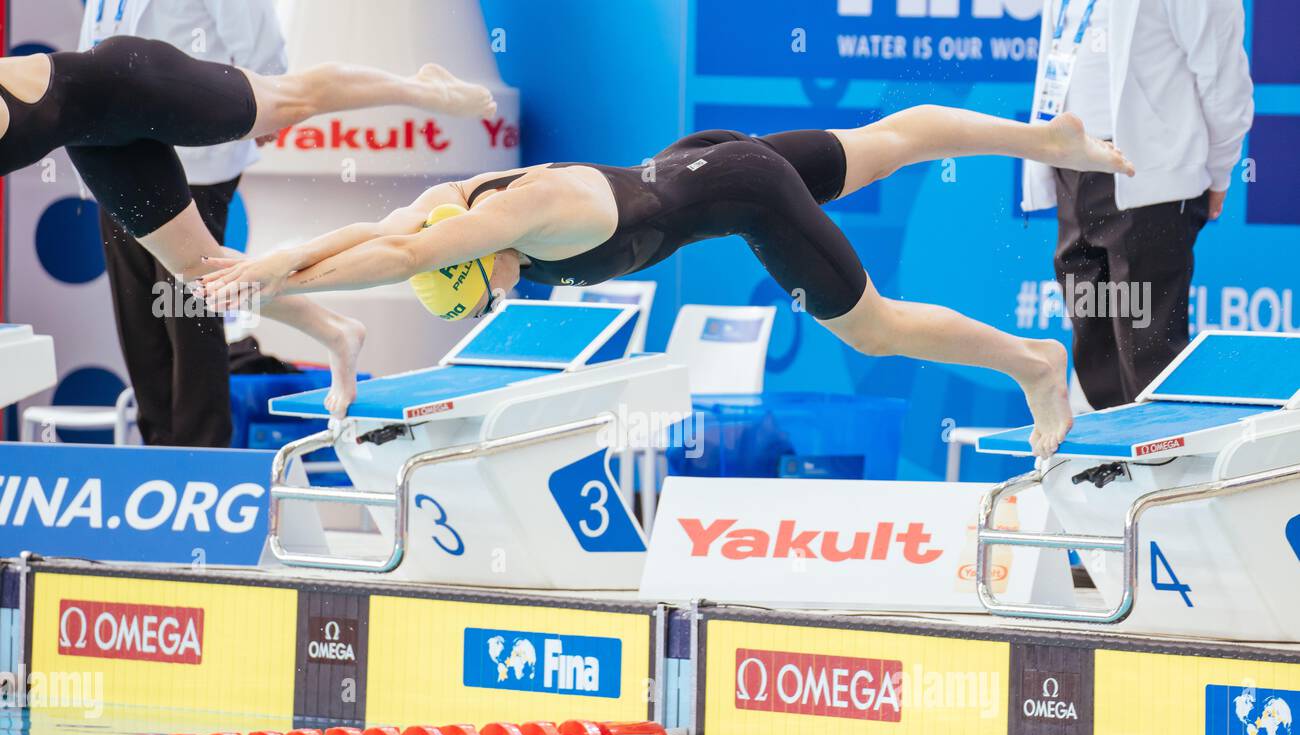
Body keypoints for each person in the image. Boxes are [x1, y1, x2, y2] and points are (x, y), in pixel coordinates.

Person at [199, 108, 1134, 457]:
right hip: (699, 156)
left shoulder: (508, 218)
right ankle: (1044, 138)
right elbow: (380, 236)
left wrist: (263, 266)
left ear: (473, 258)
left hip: (742, 191)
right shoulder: (450, 207)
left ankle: (1035, 364)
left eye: (486, 290)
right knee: (892, 141)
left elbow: (399, 259)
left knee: (876, 329)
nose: (501, 295)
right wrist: (270, 267)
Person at [0, 34, 496, 416]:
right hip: (93, 137)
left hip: (125, 80)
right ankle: (337, 332)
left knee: (290, 102)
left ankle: (423, 87)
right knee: (201, 273)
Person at [1023, 0, 1254, 410]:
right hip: (1073, 165)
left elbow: (1223, 79)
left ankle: (1162, 465)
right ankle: (1112, 465)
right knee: (1093, 341)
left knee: (1147, 345)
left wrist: (1219, 169)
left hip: (1145, 174)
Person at [78, 0, 288, 448]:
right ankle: (159, 449)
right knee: (139, 311)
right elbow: (92, 49)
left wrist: (269, 100)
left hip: (193, 156)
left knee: (188, 309)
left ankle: (201, 454)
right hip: (113, 149)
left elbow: (257, 31)